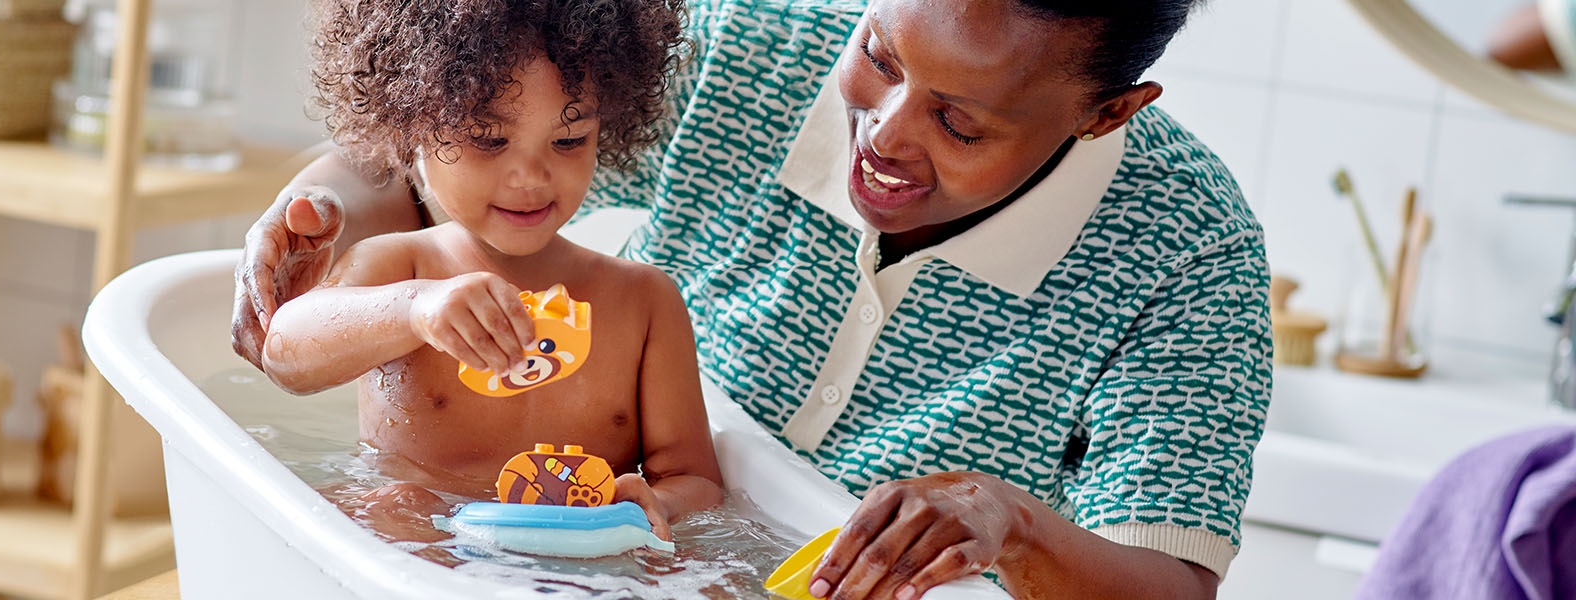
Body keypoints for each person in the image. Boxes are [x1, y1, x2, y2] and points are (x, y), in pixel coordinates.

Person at [236, 0, 1270, 598]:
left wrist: (1015, 525)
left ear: (1108, 113)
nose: (887, 132)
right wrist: (318, 207)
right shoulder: (752, 52)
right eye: (880, 55)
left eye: (959, 124)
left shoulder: (1188, 251)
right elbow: (442, 147)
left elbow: (1167, 584)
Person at [260, 0, 721, 542]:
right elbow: (286, 352)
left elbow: (696, 480)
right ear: (412, 129)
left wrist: (648, 505)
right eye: (487, 139)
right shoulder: (399, 265)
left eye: (569, 140)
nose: (529, 175)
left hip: (578, 560)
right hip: (423, 546)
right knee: (390, 505)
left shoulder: (645, 301)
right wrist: (414, 308)